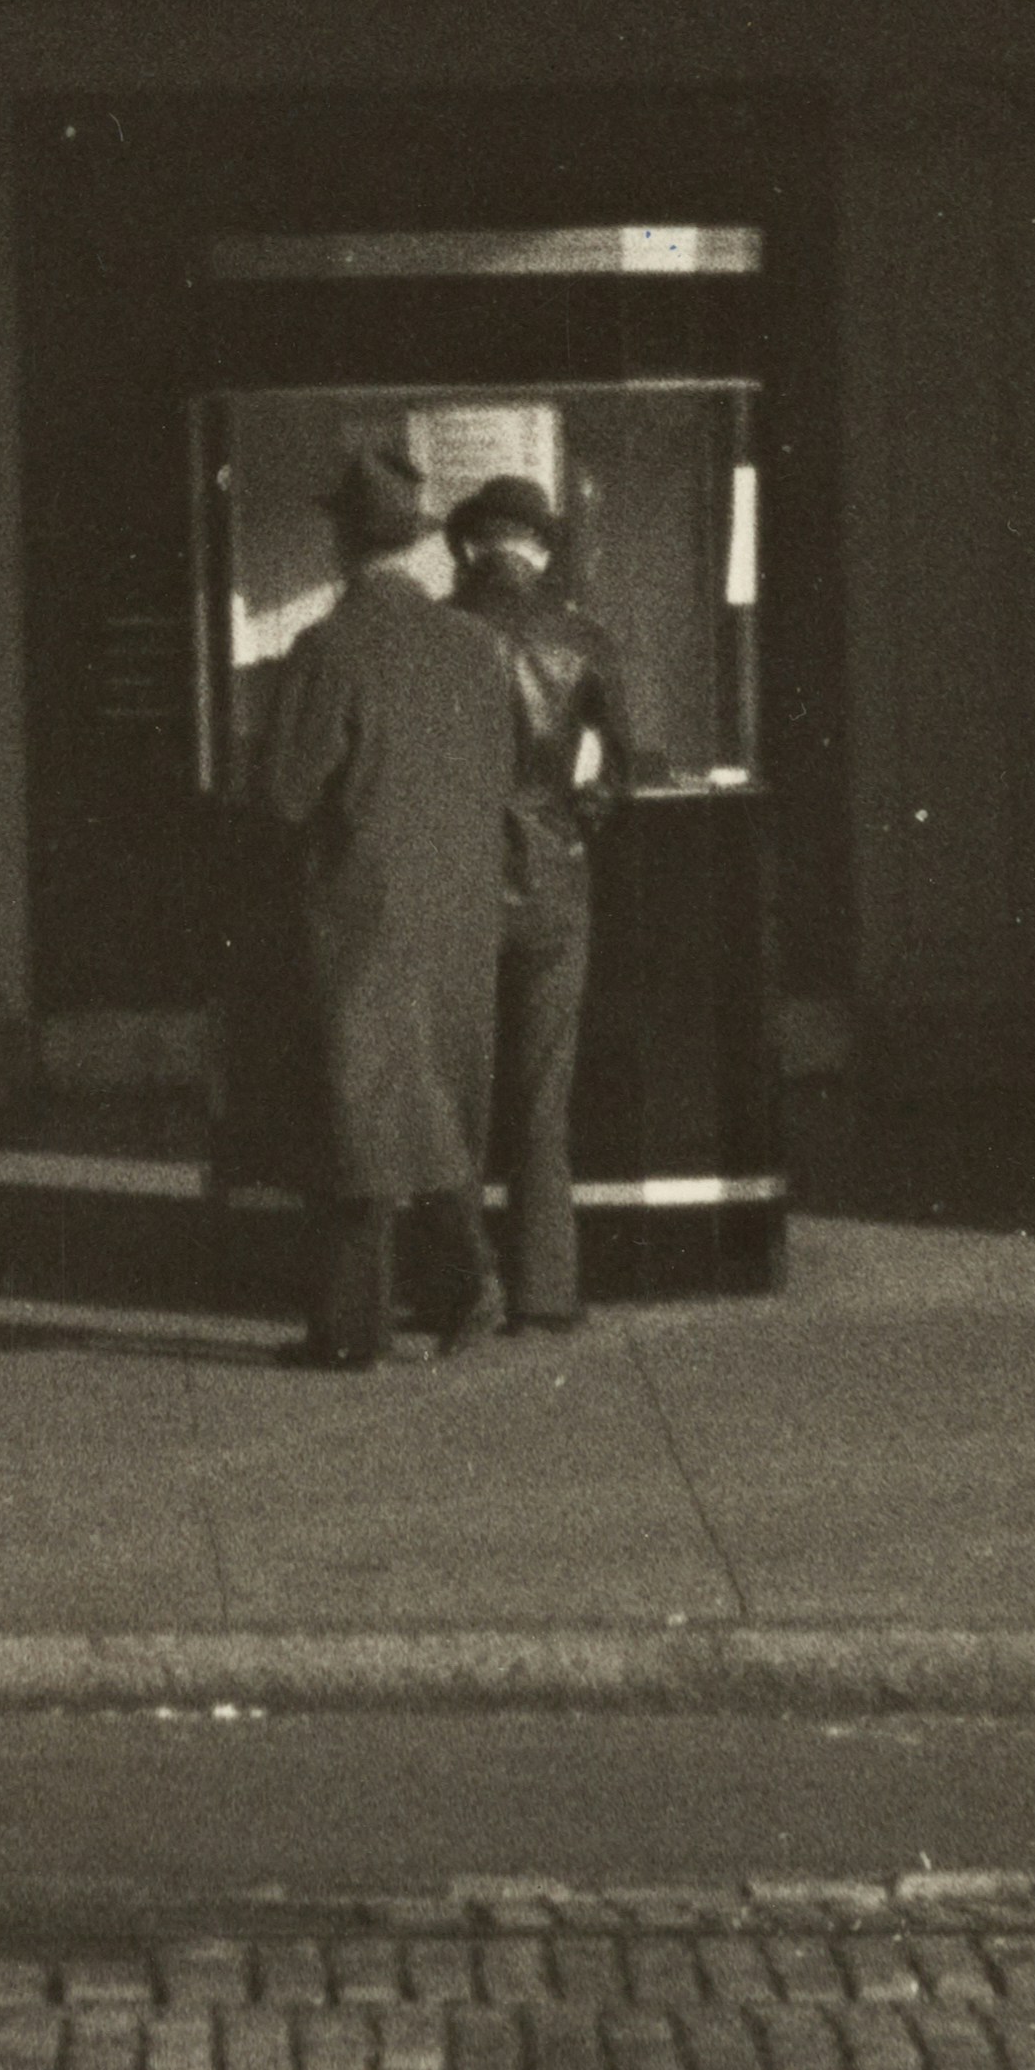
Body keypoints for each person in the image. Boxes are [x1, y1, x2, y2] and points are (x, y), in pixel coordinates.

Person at [233, 435, 528, 1371]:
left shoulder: (329, 649)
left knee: (356, 1110)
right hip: (459, 909)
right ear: (414, 542)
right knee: (429, 1099)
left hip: (361, 910)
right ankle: (451, 1289)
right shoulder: (477, 646)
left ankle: (362, 1326)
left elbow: (283, 793)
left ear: (341, 544)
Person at [450, 473, 632, 1334]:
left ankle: (459, 1280)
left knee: (454, 1089)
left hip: (454, 884)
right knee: (541, 1096)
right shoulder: (582, 639)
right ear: (541, 549)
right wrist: (573, 815)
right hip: (555, 883)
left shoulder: (442, 635)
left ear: (469, 545)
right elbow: (613, 770)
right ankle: (545, 1289)